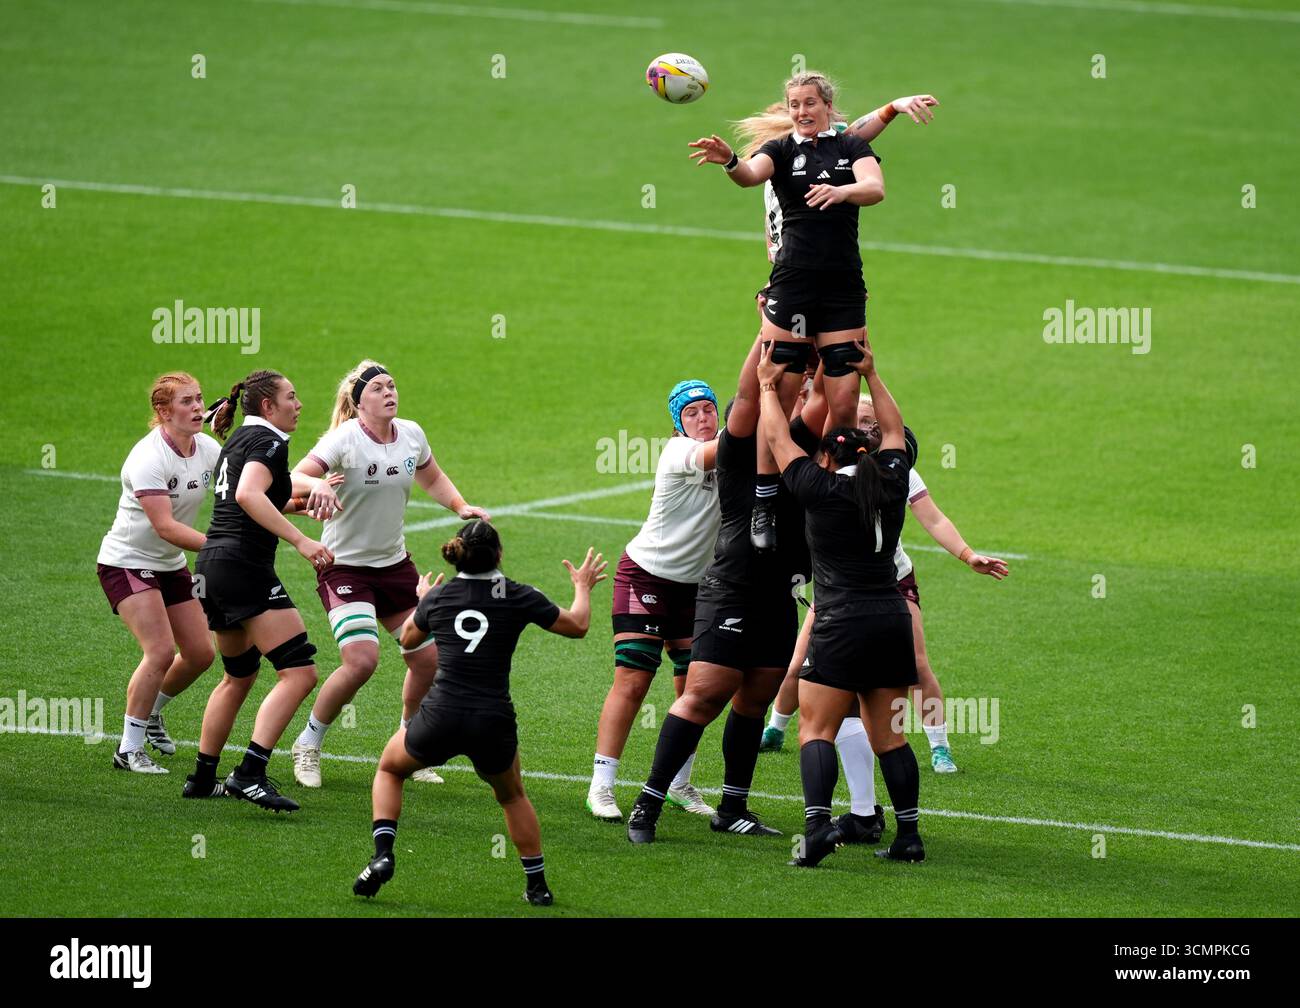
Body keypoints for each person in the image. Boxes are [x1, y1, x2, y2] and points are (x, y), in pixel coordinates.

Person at [624, 338, 828, 844]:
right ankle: (647, 804)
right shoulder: (736, 447)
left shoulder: (799, 445)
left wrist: (829, 351)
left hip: (778, 596)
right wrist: (770, 330)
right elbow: (747, 395)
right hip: (732, 588)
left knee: (754, 702)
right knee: (703, 695)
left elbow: (824, 402)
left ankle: (732, 806)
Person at [352, 520, 606, 906]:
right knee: (512, 796)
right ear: (499, 555)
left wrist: (423, 601)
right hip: (492, 720)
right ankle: (537, 885)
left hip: (441, 715)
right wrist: (582, 588)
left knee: (390, 769)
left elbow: (406, 639)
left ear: (458, 556)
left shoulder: (439, 597)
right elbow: (578, 626)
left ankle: (383, 854)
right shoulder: (518, 594)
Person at [689, 71, 886, 553]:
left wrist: (842, 191)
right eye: (793, 103)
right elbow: (747, 175)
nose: (800, 110)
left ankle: (839, 485)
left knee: (843, 396)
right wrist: (729, 160)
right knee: (777, 388)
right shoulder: (779, 151)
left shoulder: (848, 146)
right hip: (793, 284)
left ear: (827, 107)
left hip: (842, 288)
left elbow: (874, 187)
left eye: (809, 103)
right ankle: (763, 500)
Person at [762, 396, 1009, 778]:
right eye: (860, 422)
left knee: (918, 665)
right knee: (799, 662)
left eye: (874, 424)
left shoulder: (896, 469)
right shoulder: (830, 466)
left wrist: (966, 554)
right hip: (839, 587)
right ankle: (775, 728)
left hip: (891, 581)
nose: (868, 429)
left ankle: (939, 746)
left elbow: (933, 517)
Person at [756, 337, 926, 865]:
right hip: (890, 618)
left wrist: (766, 385)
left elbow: (778, 438)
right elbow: (896, 431)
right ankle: (909, 837)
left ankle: (817, 829)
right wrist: (874, 373)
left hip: (840, 621)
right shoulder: (893, 482)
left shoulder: (819, 488)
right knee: (890, 739)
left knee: (817, 729)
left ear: (828, 456)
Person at [288, 360, 490, 788]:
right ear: (359, 401)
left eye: (392, 385)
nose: (389, 392)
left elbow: (432, 477)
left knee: (428, 660)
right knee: (361, 661)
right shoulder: (344, 439)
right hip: (345, 568)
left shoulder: (411, 434)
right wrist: (318, 485)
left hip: (395, 567)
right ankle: (308, 743)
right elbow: (296, 475)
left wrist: (460, 507)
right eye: (378, 388)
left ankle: (410, 744)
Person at [182, 370, 341, 811]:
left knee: (238, 676)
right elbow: (251, 495)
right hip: (242, 568)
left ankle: (202, 776)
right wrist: (301, 541)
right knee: (300, 672)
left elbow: (247, 499)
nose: (299, 404)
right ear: (268, 406)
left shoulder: (237, 440)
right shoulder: (270, 442)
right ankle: (249, 773)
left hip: (211, 567)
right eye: (292, 397)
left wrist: (298, 504)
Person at [587, 380, 721, 822]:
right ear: (678, 424)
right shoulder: (679, 452)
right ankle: (602, 787)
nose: (703, 419)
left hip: (694, 588)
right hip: (645, 576)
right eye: (692, 413)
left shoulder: (735, 450)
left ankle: (680, 783)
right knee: (634, 681)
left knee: (695, 690)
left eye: (709, 410)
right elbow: (718, 453)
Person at [98, 373, 220, 773]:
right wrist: (222, 546)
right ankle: (128, 749)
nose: (198, 408)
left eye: (199, 399)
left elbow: (246, 491)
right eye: (186, 402)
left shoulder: (206, 448)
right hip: (127, 562)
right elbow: (166, 527)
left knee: (201, 653)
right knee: (161, 651)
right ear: (163, 412)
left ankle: (150, 711)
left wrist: (300, 500)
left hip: (169, 564)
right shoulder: (149, 458)